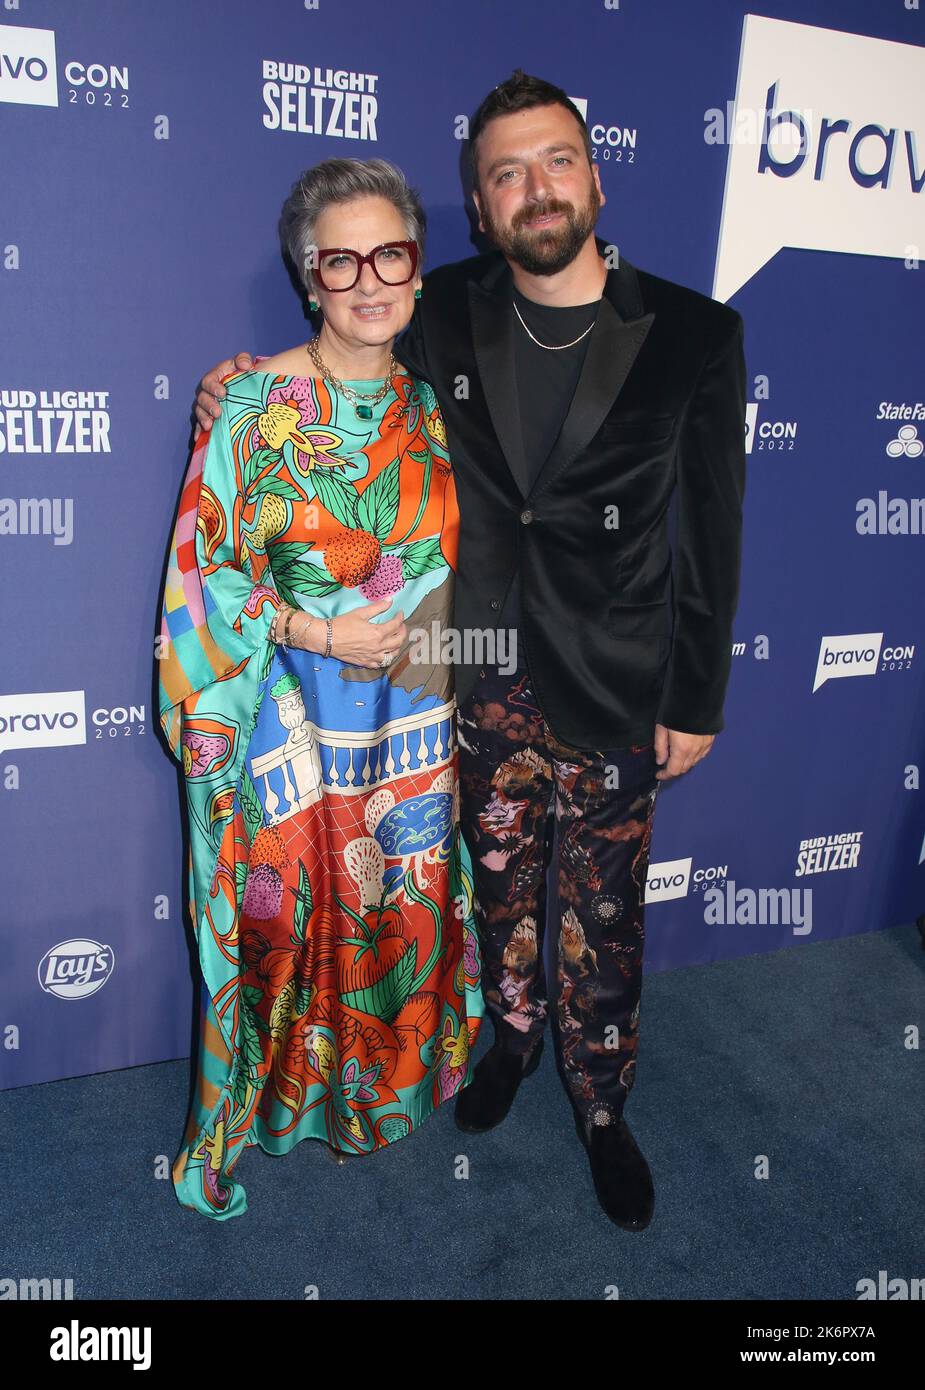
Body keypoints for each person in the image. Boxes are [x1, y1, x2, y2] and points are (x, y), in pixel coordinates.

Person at [195, 72, 747, 1232]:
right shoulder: (436, 301)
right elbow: (343, 336)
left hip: (617, 685)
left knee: (605, 919)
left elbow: (713, 528)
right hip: (476, 683)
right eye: (505, 173)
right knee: (496, 896)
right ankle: (507, 1043)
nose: (533, 189)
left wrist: (695, 696)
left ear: (594, 177)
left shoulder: (698, 331)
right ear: (481, 206)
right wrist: (240, 383)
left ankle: (602, 1107)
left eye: (554, 162)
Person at [158, 157, 484, 1221]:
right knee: (290, 927)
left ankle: (374, 1097)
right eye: (339, 259)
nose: (367, 277)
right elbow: (205, 586)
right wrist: (311, 625)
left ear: (418, 267)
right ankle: (277, 1109)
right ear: (309, 278)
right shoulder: (252, 403)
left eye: (389, 251)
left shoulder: (434, 408)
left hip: (405, 725)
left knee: (394, 910)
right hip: (282, 727)